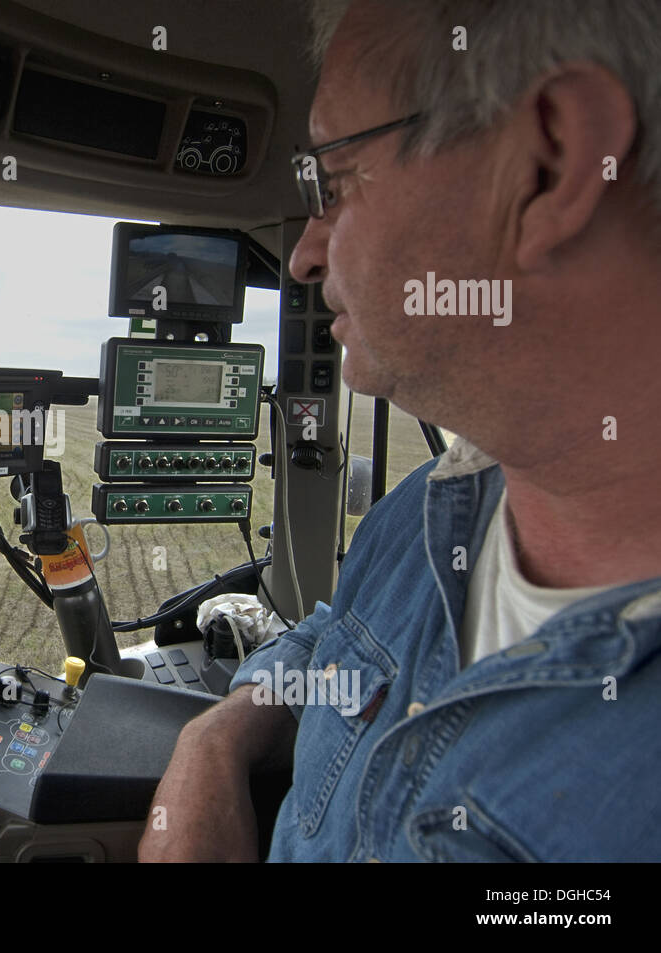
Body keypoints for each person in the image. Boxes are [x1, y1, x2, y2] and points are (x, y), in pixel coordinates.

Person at [139, 0, 661, 862]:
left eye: (331, 182)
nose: (306, 254)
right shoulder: (430, 508)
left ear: (550, 161)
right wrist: (217, 740)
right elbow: (331, 640)